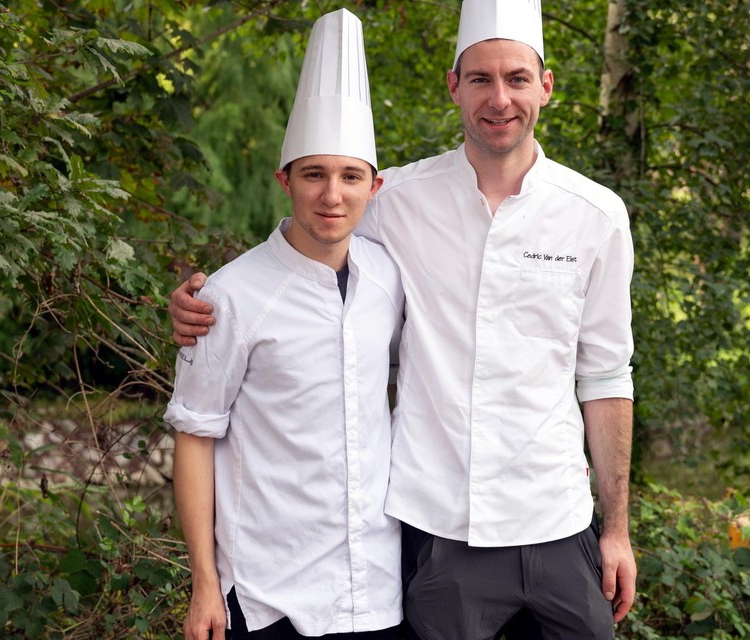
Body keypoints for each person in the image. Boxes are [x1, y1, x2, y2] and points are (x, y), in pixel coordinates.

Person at [170, 1, 637, 638]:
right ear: (454, 86)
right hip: (437, 528)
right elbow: (308, 240)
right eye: (479, 78)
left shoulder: (597, 215)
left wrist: (616, 530)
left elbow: (606, 376)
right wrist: (207, 301)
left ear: (546, 86)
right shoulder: (399, 199)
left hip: (557, 521)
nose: (499, 98)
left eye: (517, 78)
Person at [164, 10, 404, 640]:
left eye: (350, 176)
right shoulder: (230, 296)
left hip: (378, 591)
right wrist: (205, 583)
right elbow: (194, 435)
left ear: (373, 187)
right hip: (270, 596)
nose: (332, 195)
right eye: (314, 174)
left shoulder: (389, 278)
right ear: (285, 181)